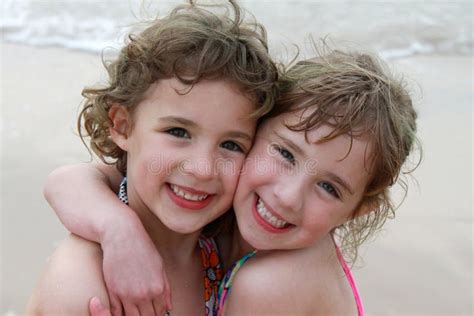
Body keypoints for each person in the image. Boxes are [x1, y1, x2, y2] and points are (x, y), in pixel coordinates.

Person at [42, 46, 420, 315]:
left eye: (329, 187)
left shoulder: (270, 285)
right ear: (255, 134)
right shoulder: (220, 227)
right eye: (285, 154)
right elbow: (71, 179)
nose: (288, 197)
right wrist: (117, 228)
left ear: (357, 210)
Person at [26, 1, 279, 315]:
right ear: (122, 125)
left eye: (231, 145)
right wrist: (115, 228)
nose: (202, 169)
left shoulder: (224, 245)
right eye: (178, 132)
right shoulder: (81, 284)